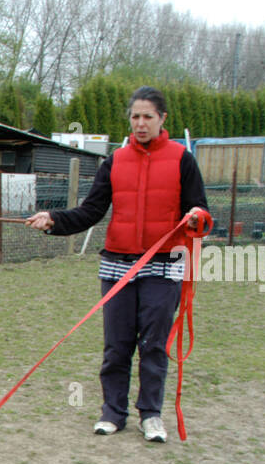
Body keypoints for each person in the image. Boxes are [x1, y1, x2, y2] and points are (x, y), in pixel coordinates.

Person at [26, 86, 208, 443]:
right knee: (117, 345)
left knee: (153, 345)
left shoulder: (182, 159)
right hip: (117, 267)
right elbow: (90, 211)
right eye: (135, 117)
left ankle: (151, 415)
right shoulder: (115, 162)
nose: (141, 124)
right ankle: (113, 412)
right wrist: (53, 220)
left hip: (163, 266)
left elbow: (200, 209)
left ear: (162, 119)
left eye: (148, 117)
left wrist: (196, 218)